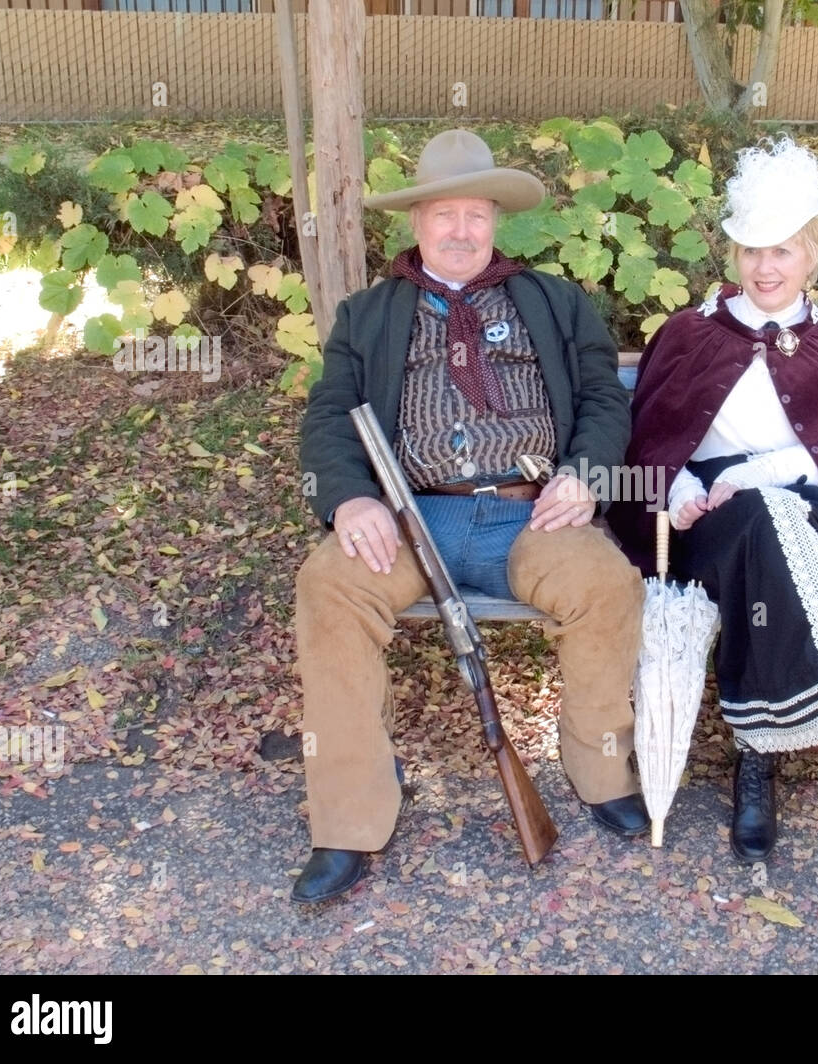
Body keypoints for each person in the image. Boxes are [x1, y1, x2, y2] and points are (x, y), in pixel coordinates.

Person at [293, 130, 649, 904]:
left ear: (495, 221)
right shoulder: (369, 314)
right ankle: (350, 820)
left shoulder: (554, 301)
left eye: (476, 215)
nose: (461, 230)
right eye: (444, 214)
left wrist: (585, 477)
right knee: (330, 589)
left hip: (534, 517)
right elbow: (328, 414)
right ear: (417, 222)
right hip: (411, 517)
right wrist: (352, 498)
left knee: (608, 586)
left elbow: (601, 398)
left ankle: (601, 774)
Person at [609, 136, 818, 863]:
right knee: (755, 523)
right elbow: (645, 444)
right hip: (707, 531)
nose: (765, 267)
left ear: (812, 254)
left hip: (811, 515)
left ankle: (759, 760)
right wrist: (678, 488)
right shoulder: (689, 335)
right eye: (751, 251)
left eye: (782, 251)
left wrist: (765, 469)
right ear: (733, 256)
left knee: (771, 513)